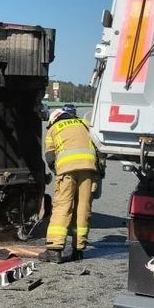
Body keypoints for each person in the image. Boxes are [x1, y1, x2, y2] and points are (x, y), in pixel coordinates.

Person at [41, 104, 100, 262]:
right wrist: (99, 173)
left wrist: (56, 171)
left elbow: (50, 157)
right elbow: (99, 148)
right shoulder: (84, 124)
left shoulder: (54, 128)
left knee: (63, 206)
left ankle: (54, 249)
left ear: (54, 119)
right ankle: (78, 249)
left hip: (67, 171)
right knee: (83, 207)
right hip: (88, 169)